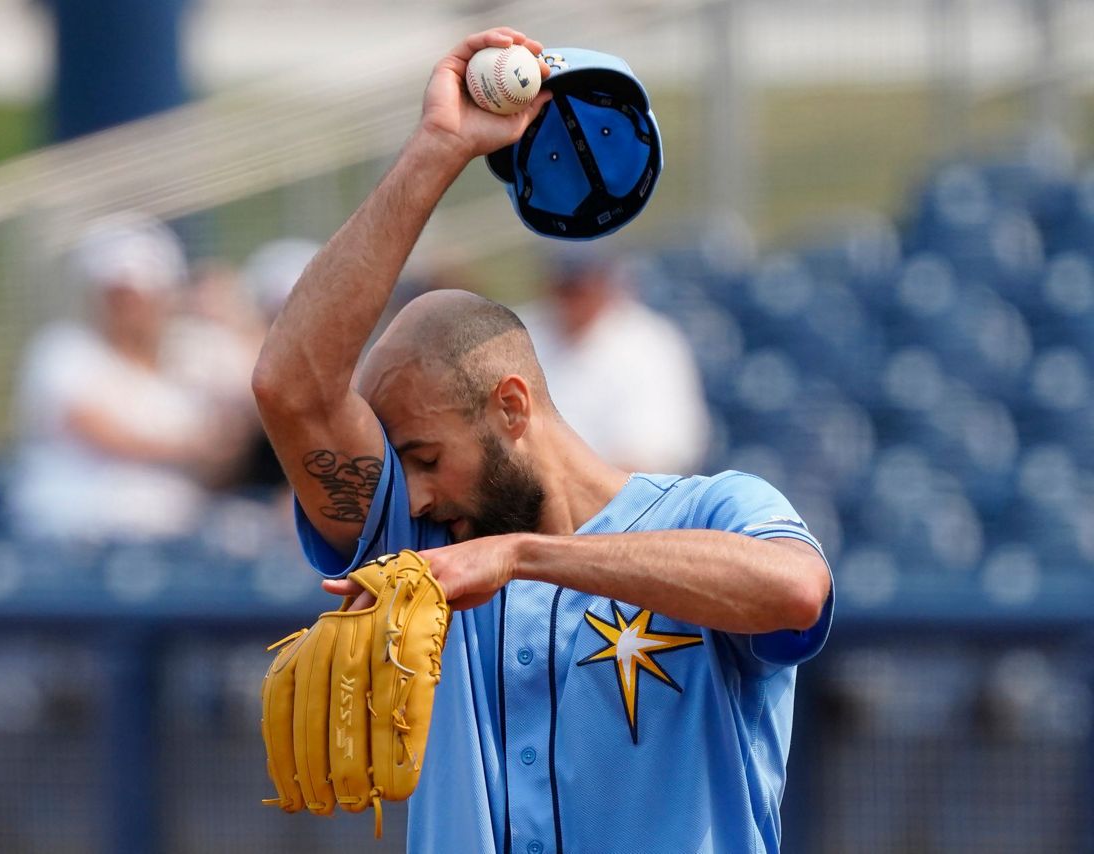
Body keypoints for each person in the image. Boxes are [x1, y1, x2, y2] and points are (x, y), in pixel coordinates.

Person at [252, 29, 833, 854]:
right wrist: (439, 148)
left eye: (422, 456)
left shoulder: (714, 507)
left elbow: (795, 593)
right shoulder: (423, 551)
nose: (411, 493)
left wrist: (526, 557)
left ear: (512, 408)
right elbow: (292, 388)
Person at [8, 214, 239, 542]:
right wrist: (198, 445)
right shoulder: (63, 352)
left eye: (137, 296)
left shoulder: (196, 358)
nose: (128, 307)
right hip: (73, 540)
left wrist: (231, 312)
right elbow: (98, 430)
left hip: (174, 537)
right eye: (116, 296)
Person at [516, 247, 710, 474]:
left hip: (638, 499)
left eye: (579, 287)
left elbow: (648, 456)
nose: (571, 299)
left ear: (605, 283)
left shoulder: (648, 340)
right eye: (563, 287)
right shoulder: (524, 333)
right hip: (538, 491)